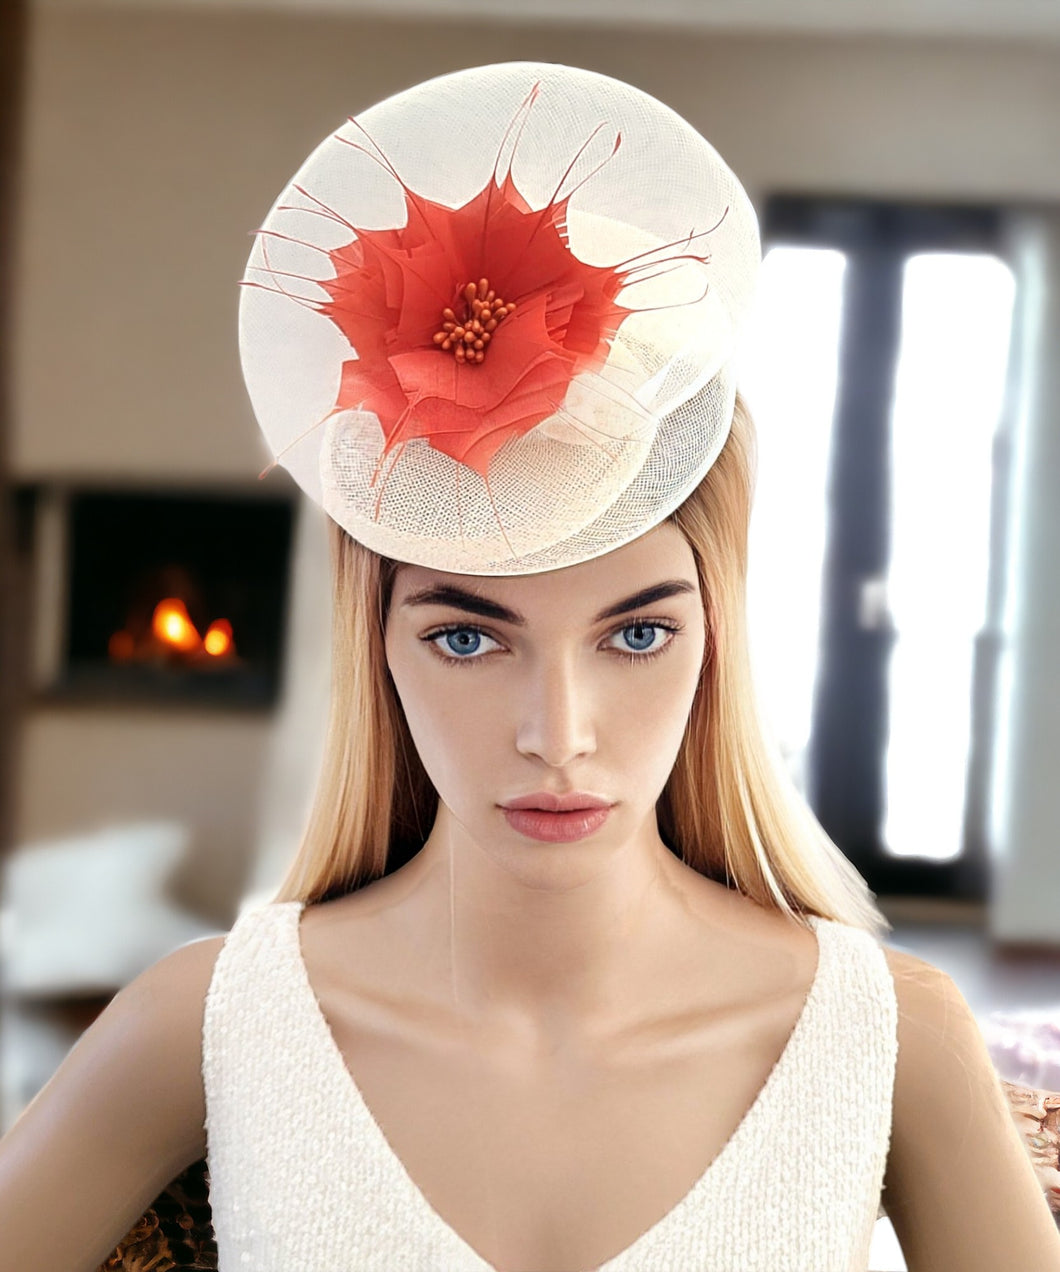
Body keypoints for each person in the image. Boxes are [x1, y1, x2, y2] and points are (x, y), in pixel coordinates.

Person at [1, 61, 1058, 1272]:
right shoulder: (203, 1025)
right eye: (467, 637)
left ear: (718, 640)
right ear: (376, 646)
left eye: (638, 634)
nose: (558, 732)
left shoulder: (889, 1039)